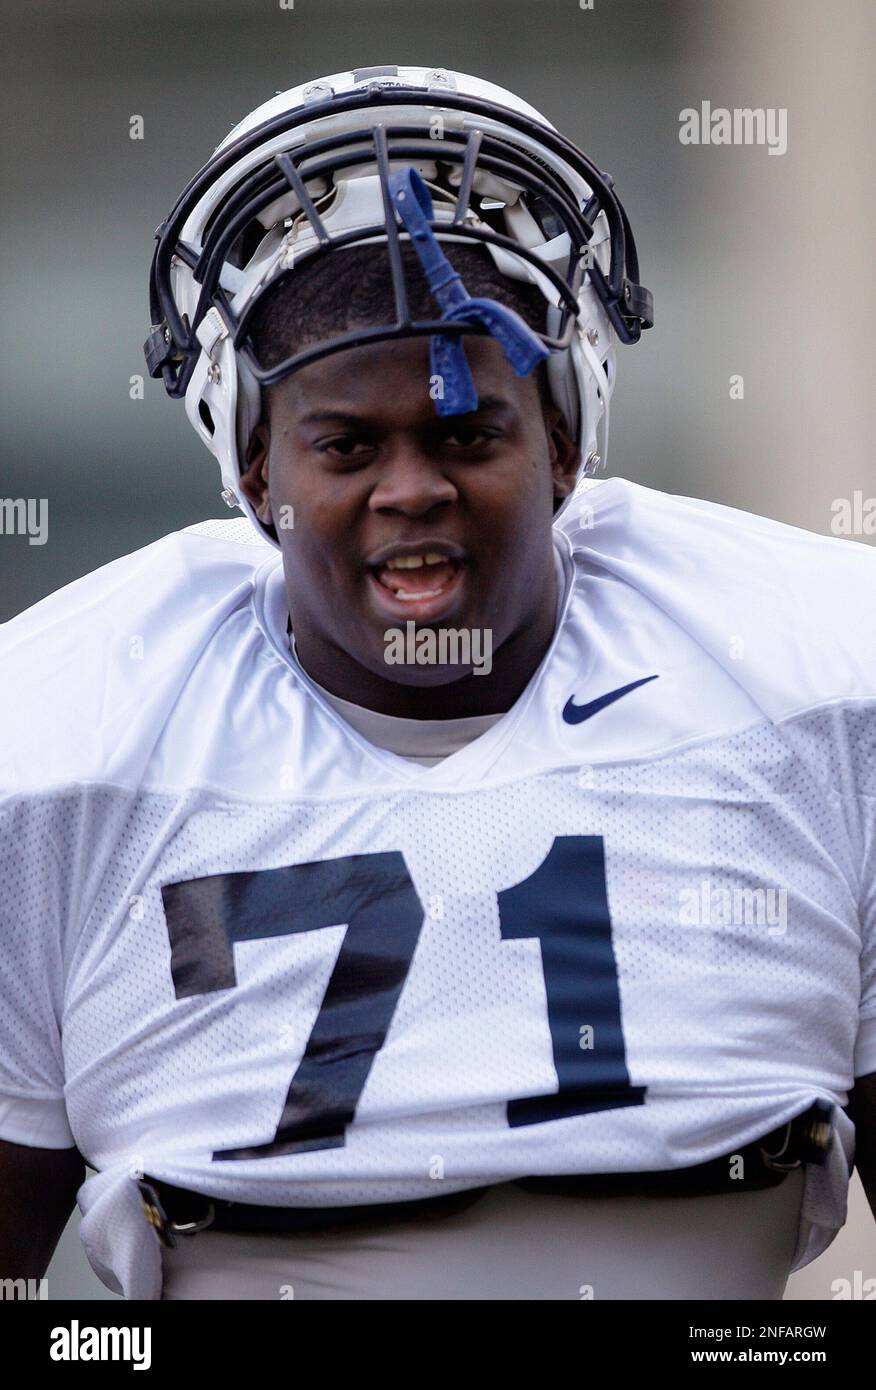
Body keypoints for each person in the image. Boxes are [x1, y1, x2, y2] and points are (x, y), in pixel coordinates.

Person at [1, 65, 873, 1301]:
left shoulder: (821, 679)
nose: (412, 488)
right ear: (254, 471)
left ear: (565, 445)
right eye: (347, 444)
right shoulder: (56, 745)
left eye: (468, 434)